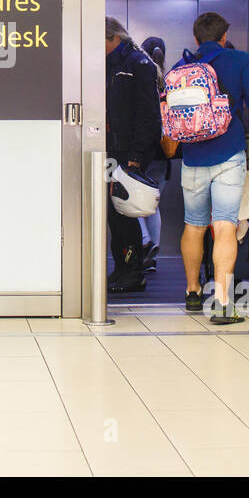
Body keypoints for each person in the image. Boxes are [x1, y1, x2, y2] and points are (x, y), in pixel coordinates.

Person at [178, 12, 249, 324]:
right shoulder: (240, 61)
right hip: (229, 155)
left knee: (193, 226)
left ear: (196, 39)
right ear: (223, 37)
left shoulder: (183, 67)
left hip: (192, 156)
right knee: (224, 226)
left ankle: (192, 293)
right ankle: (221, 302)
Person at [105, 17, 162, 292]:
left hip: (129, 151)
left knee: (125, 214)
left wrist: (136, 156)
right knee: (114, 214)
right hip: (112, 149)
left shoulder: (138, 65)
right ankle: (122, 269)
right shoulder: (112, 64)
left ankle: (133, 272)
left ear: (113, 38)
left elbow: (148, 115)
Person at [137, 36, 170, 274]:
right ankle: (154, 251)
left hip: (142, 151)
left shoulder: (141, 78)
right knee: (154, 205)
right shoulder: (170, 82)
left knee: (131, 200)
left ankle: (145, 240)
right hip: (164, 154)